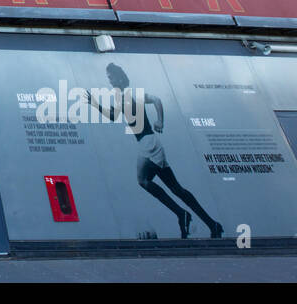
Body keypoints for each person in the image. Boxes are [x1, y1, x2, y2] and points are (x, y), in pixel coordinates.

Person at [85, 63, 223, 239]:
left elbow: (124, 112)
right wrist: (160, 122)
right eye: (109, 78)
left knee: (144, 180)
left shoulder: (127, 95)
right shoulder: (125, 96)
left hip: (148, 143)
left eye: (111, 77)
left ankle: (183, 214)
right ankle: (211, 224)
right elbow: (122, 112)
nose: (110, 81)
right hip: (149, 142)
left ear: (119, 78)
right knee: (176, 189)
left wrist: (160, 121)